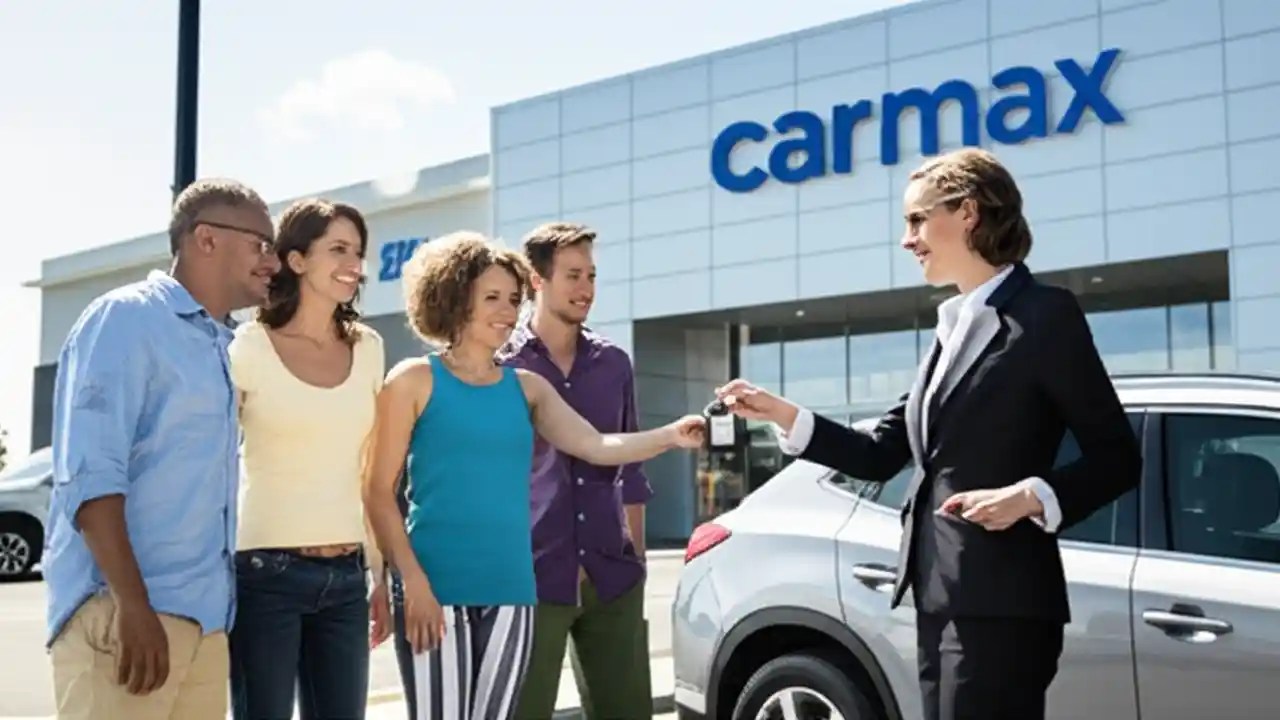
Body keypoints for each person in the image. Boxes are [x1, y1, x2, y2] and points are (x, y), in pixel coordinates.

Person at [714, 148, 1142, 720]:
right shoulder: (951, 329)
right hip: (937, 597)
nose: (906, 239)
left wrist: (1032, 497)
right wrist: (782, 413)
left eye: (917, 220)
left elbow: (1117, 457)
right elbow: (879, 452)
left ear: (967, 213)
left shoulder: (1046, 316)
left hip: (1005, 605)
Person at [362, 231, 705, 720]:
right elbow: (378, 491)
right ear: (455, 298)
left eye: (513, 299)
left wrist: (671, 435)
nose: (507, 311)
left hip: (513, 591)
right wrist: (409, 582)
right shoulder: (412, 380)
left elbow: (596, 445)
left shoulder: (527, 388)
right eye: (492, 298)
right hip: (436, 586)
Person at [44, 179, 279, 720]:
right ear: (207, 239)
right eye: (260, 245)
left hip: (206, 625)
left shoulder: (228, 346)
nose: (273, 262)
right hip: (126, 618)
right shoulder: (126, 319)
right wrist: (133, 604)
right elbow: (90, 475)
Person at [226, 198, 391, 720]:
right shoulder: (247, 346)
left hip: (345, 577)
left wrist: (380, 573)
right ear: (295, 260)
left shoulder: (368, 348)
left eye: (358, 252)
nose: (354, 264)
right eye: (338, 249)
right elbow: (211, 460)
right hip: (264, 574)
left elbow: (371, 470)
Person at [496, 222, 653, 720]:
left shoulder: (614, 363)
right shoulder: (501, 366)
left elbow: (629, 467)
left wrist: (638, 563)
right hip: (532, 578)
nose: (586, 289)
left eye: (591, 275)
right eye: (572, 275)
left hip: (613, 578)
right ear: (537, 280)